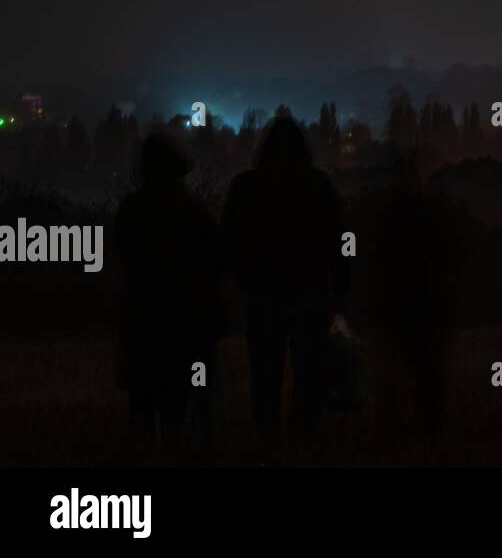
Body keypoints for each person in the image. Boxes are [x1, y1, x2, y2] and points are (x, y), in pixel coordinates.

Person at [222, 115, 348, 447]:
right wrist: (340, 289)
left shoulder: (246, 186)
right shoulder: (319, 185)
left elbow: (229, 240)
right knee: (309, 374)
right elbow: (338, 239)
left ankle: (268, 439)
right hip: (310, 292)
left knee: (264, 374)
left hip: (263, 293)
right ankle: (302, 438)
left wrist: (240, 279)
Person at [115, 132, 224, 460]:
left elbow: (123, 260)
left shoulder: (132, 209)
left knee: (142, 405)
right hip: (185, 319)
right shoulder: (193, 208)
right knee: (178, 403)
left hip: (143, 318)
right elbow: (214, 262)